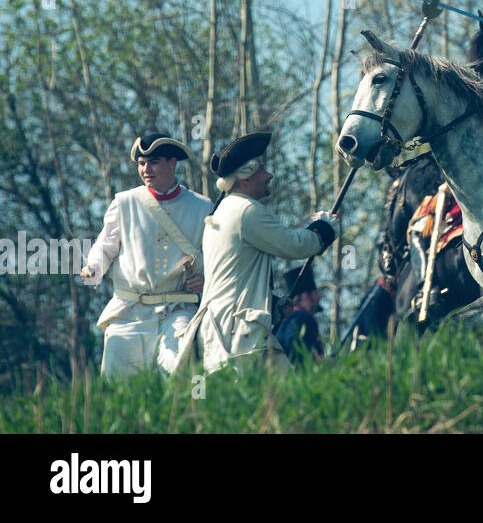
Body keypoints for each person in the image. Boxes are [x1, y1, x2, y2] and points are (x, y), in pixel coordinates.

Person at [176, 132, 338, 374]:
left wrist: (272, 305)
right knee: (279, 404)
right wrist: (324, 228)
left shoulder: (221, 213)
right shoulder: (247, 211)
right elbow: (295, 245)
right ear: (245, 177)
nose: (269, 175)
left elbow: (232, 281)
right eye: (262, 169)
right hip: (241, 337)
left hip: (224, 333)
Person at [80, 133, 210, 378]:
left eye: (154, 162)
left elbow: (215, 257)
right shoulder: (125, 202)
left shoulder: (202, 207)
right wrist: (93, 267)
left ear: (172, 163)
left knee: (182, 373)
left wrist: (206, 279)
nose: (146, 169)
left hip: (177, 309)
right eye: (141, 163)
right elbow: (105, 245)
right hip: (129, 311)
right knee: (117, 387)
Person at [275, 264, 325, 364]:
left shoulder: (289, 318)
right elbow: (295, 346)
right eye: (315, 293)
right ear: (305, 296)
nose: (319, 297)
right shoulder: (301, 316)